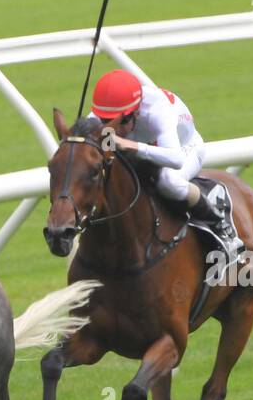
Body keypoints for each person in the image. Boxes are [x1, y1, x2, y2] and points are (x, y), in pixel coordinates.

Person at [89, 69, 243, 258]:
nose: (115, 129)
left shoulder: (157, 110)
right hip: (146, 150)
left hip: (186, 148)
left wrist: (131, 145)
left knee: (167, 181)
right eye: (106, 121)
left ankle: (220, 226)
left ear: (136, 112)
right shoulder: (100, 116)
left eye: (122, 121)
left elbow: (175, 159)